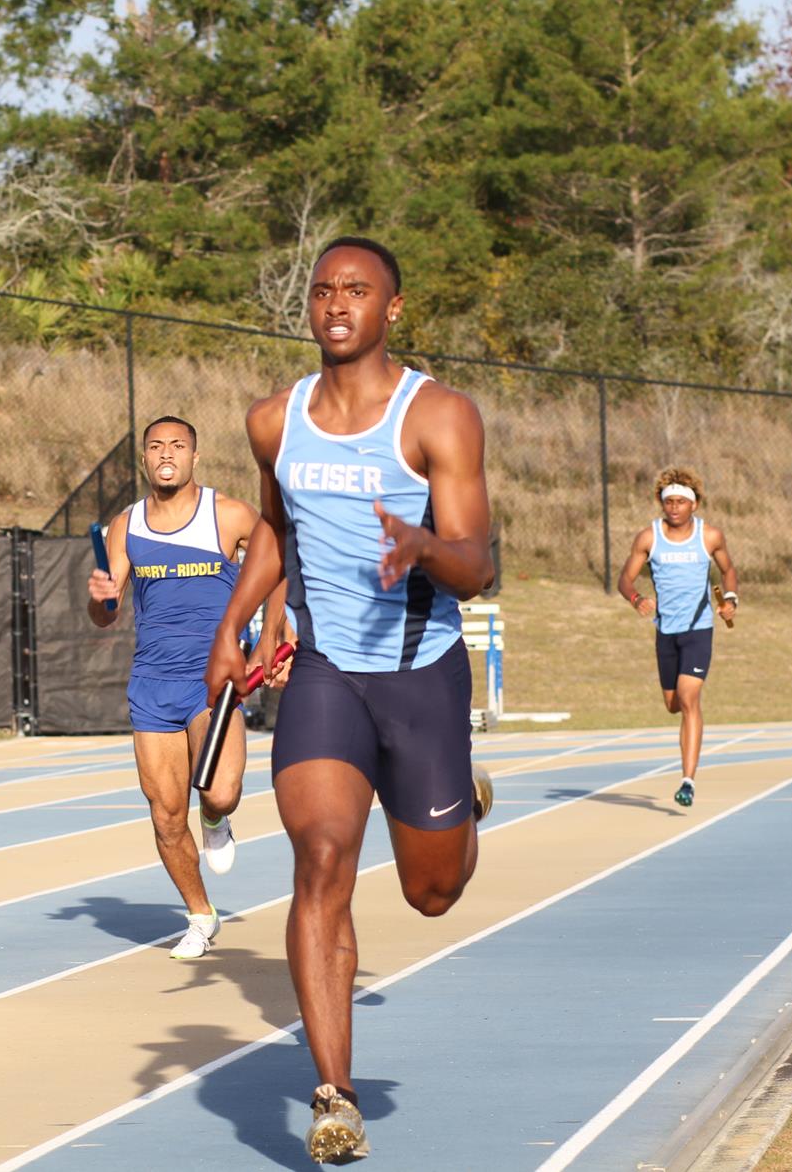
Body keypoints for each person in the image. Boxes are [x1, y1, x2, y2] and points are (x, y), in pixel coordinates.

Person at [203, 236, 496, 1164]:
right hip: (325, 676)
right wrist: (234, 624)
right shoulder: (272, 421)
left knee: (433, 890)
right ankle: (334, 1093)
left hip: (421, 679)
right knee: (321, 859)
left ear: (392, 309)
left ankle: (462, 800)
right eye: (324, 289)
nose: (337, 303)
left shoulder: (439, 417)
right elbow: (274, 533)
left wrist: (424, 548)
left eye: (357, 290)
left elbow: (480, 563)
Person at [87, 415, 283, 961]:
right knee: (165, 815)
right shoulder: (126, 526)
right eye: (155, 446)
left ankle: (217, 818)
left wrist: (271, 630)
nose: (165, 453)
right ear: (145, 459)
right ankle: (200, 915)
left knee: (218, 791)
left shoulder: (229, 515)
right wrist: (101, 595)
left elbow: (279, 560)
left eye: (177, 445)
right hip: (151, 683)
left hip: (212, 681)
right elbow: (105, 613)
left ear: (195, 457)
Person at [616, 467, 740, 808]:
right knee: (672, 705)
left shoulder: (709, 536)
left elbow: (728, 570)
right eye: (668, 501)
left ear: (694, 505)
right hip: (665, 631)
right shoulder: (648, 538)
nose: (673, 507)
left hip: (698, 630)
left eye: (680, 502)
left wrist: (730, 600)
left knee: (689, 699)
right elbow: (624, 580)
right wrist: (637, 599)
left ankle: (688, 780)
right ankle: (687, 765)